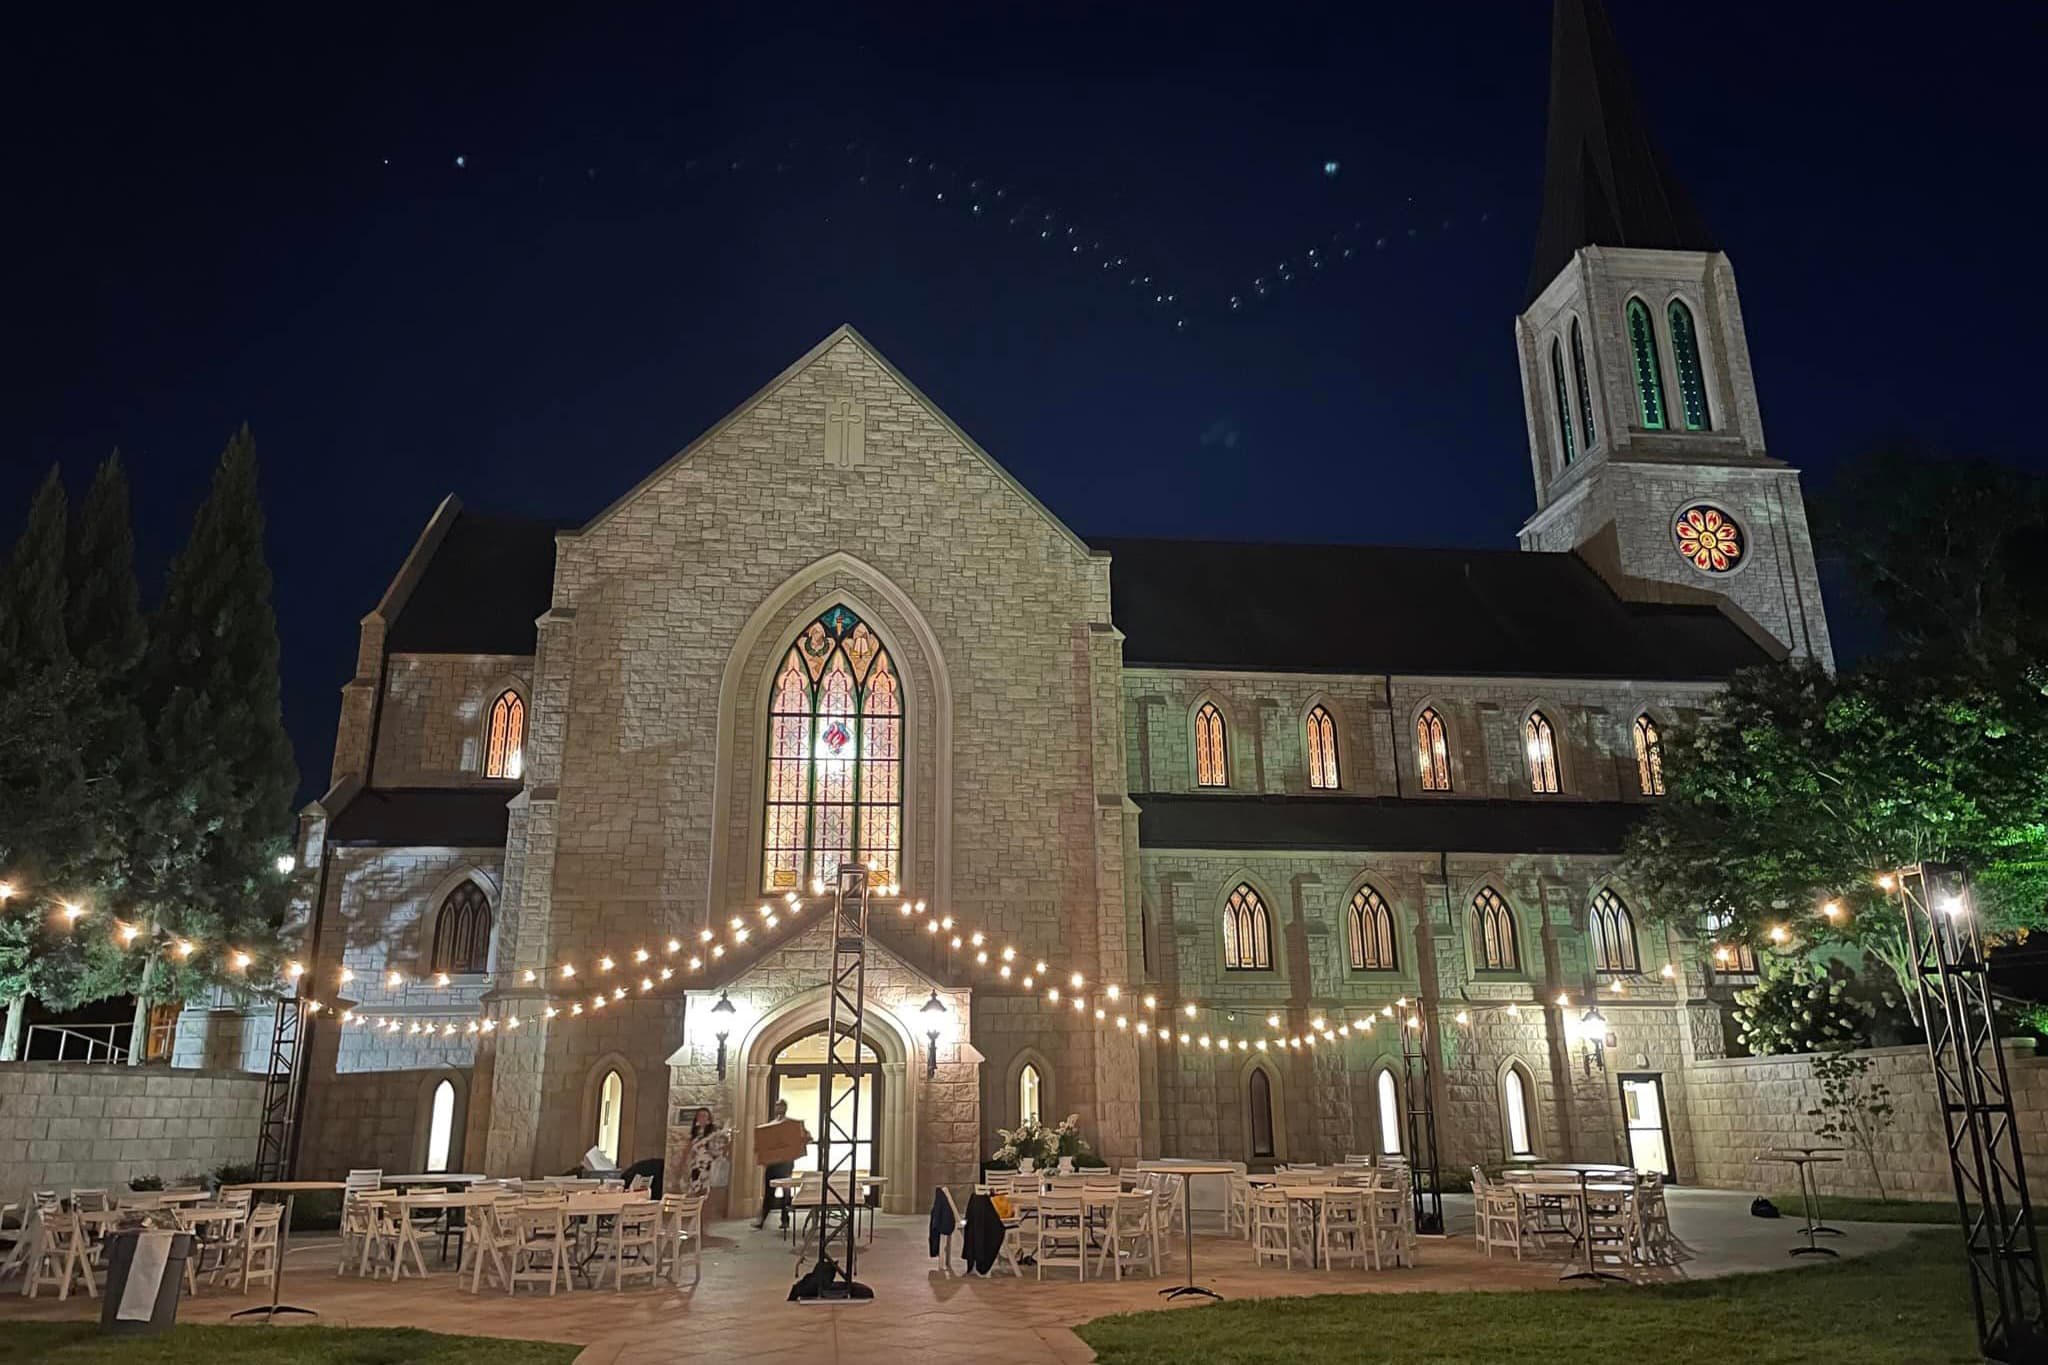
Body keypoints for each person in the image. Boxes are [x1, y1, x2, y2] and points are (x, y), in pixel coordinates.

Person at [755, 1098, 799, 1230]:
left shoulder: (791, 1125)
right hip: (772, 1164)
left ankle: (785, 1220)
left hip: (785, 1164)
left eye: (781, 1106)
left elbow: (800, 1139)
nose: (778, 1109)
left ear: (785, 1108)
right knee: (769, 1192)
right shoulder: (770, 1126)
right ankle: (762, 1220)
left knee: (786, 1194)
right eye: (777, 1106)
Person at [684, 1107, 729, 1198]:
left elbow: (722, 1144)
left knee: (706, 1189)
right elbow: (688, 1148)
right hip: (696, 1165)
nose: (702, 1118)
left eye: (704, 1116)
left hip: (708, 1164)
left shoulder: (713, 1132)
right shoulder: (694, 1133)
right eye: (700, 1116)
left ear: (708, 1118)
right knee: (695, 1188)